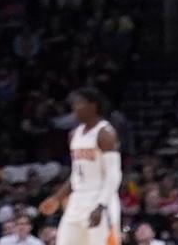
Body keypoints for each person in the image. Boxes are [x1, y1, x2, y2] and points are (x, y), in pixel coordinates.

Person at [49, 94, 120, 245]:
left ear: (92, 106)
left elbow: (114, 175)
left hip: (99, 198)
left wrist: (101, 206)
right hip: (77, 199)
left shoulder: (105, 133)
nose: (75, 108)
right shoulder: (74, 134)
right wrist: (57, 198)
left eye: (79, 104)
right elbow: (76, 173)